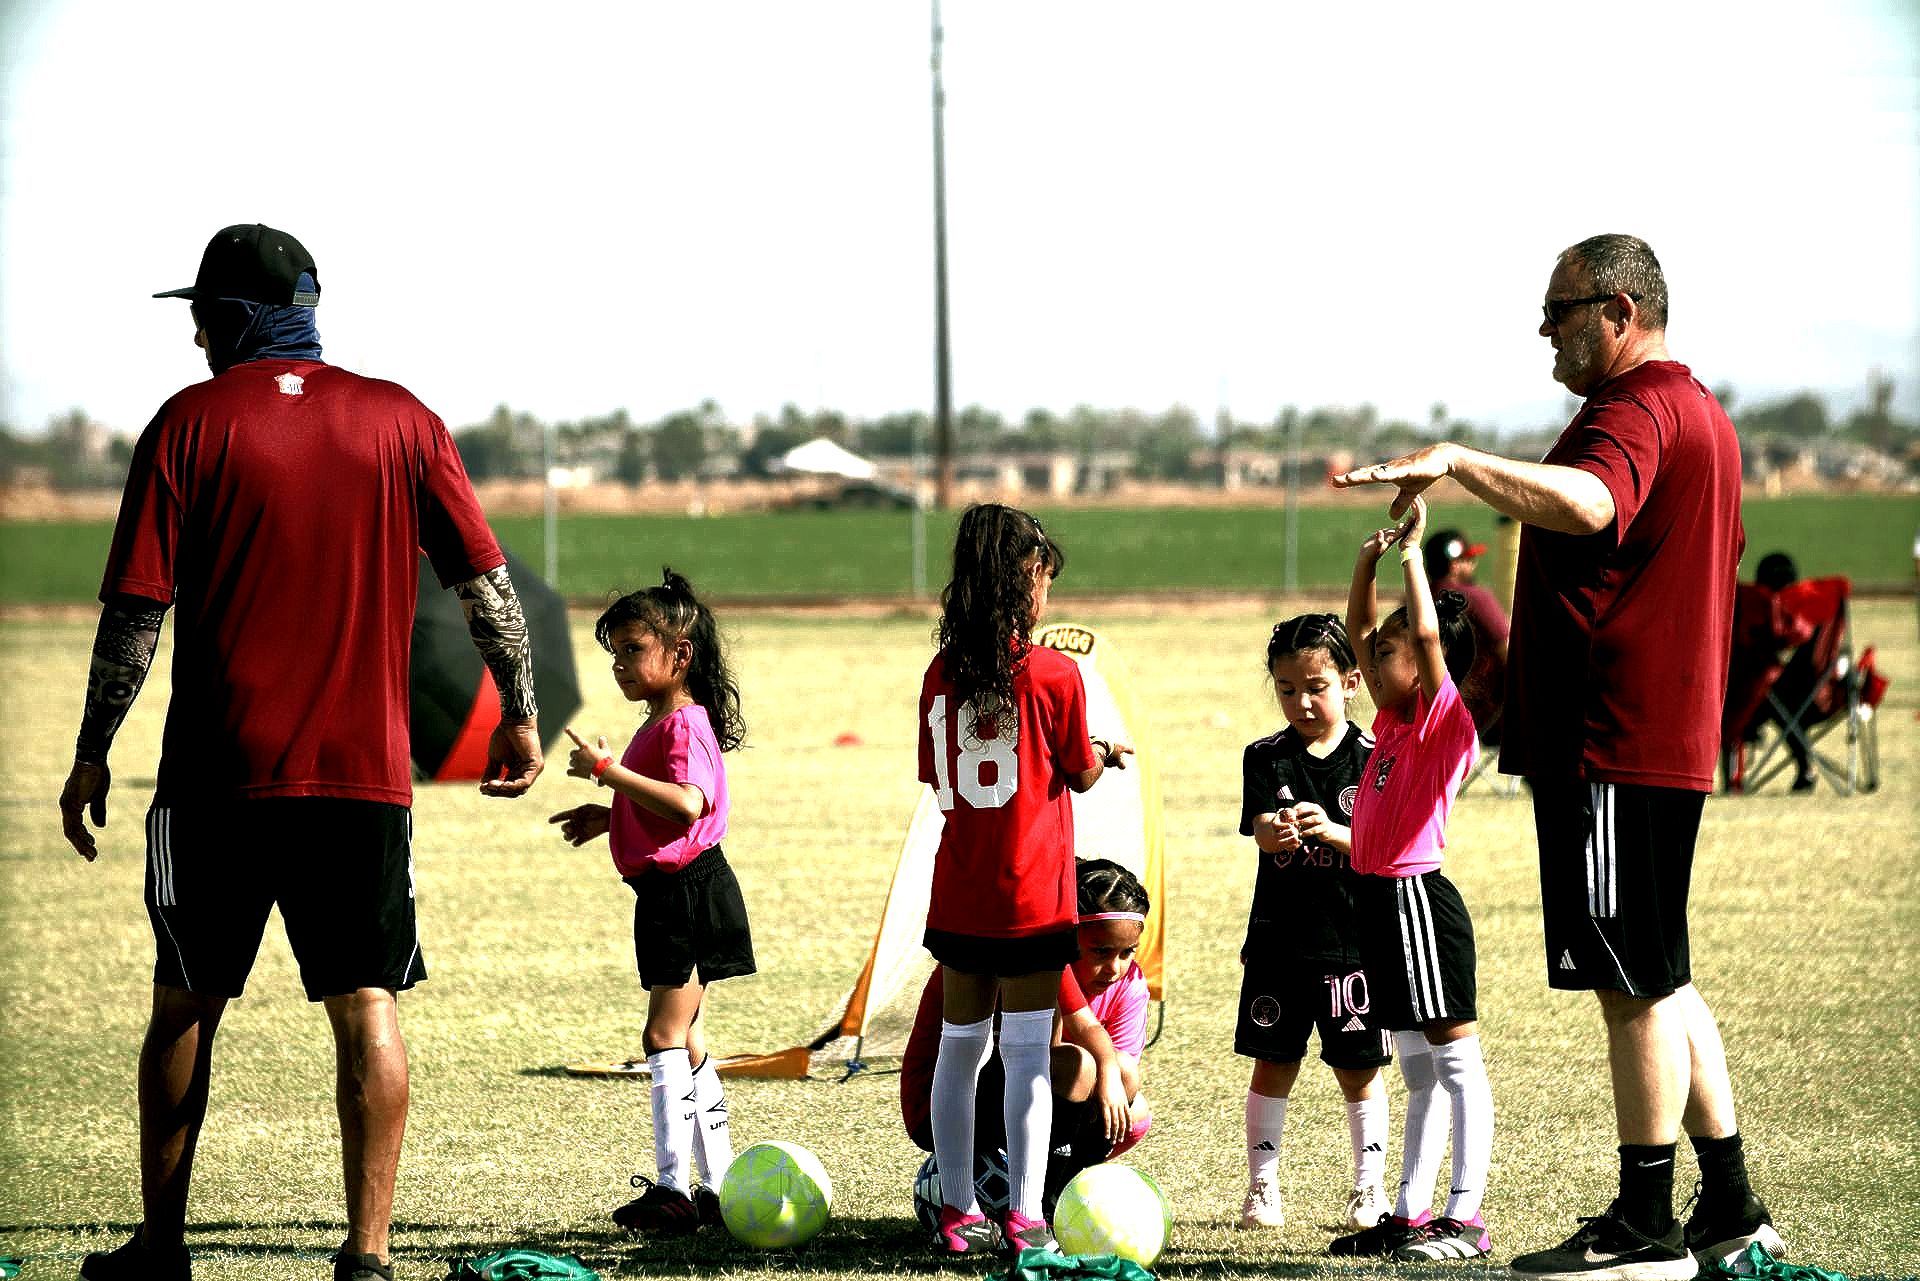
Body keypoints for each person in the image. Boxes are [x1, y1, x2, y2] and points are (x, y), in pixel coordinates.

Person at [57, 224, 544, 1281]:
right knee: (367, 1005)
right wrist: (521, 708)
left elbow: (137, 613)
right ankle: (366, 1258)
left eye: (202, 312)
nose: (192, 331)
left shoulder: (187, 424)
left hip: (214, 777)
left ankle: (163, 1249)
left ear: (236, 318)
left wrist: (94, 747)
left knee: (185, 999)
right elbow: (489, 587)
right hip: (364, 778)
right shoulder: (402, 419)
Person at [1333, 233, 1781, 1279]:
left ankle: (1643, 1226)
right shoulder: (1699, 410)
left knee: (1630, 981)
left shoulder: (1633, 409)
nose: (1545, 332)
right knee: (1660, 976)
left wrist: (1455, 459)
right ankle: (1727, 1206)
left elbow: (1589, 502)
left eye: (1559, 311)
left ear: (1619, 310)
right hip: (1649, 740)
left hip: (1613, 742)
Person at [917, 503, 1132, 1256]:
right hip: (1033, 894)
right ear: (1025, 582)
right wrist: (1104, 749)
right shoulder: (1055, 672)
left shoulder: (940, 671)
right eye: (1044, 576)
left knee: (960, 1046)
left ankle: (956, 1207)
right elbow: (1078, 770)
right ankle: (1028, 1215)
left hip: (960, 887)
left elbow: (934, 775)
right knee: (1028, 1054)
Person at [549, 570, 753, 1234]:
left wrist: (611, 775)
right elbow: (668, 807)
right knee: (689, 1041)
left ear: (680, 654)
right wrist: (611, 813)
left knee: (663, 1035)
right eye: (615, 654)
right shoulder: (664, 722)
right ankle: (720, 1187)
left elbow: (690, 803)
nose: (620, 665)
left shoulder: (684, 724)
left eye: (633, 649)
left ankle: (672, 1189)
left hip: (687, 894)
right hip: (676, 891)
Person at [1326, 496, 1495, 1264]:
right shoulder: (1392, 721)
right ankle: (1411, 1211)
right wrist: (1367, 558)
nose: (1374, 656)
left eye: (1391, 650)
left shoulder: (1442, 719)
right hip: (1376, 902)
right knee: (1418, 1070)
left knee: (1456, 1066)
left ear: (1425, 667)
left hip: (1416, 900)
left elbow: (1424, 632)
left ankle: (1464, 1218)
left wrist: (1411, 557)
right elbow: (1361, 631)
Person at [1233, 613, 1392, 1235]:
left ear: (1352, 681)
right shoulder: (1264, 758)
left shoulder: (1376, 757)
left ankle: (1368, 1190)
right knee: (1274, 1062)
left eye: (1317, 685)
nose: (1302, 701)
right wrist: (1270, 836)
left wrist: (1336, 832)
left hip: (1353, 942)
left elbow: (1388, 847)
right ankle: (1262, 1188)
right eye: (1286, 688)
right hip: (1279, 939)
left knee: (1359, 1069)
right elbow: (1259, 834)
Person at [901, 859, 1155, 1210]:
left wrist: (1111, 1073)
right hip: (939, 1109)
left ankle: (1061, 1192)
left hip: (1010, 1096)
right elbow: (1048, 1049)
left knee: (1128, 1088)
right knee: (1079, 1065)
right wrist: (1102, 1067)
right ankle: (1042, 1204)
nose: (1114, 968)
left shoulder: (1129, 984)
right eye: (1100, 951)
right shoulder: (1036, 957)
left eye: (1126, 953)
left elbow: (1106, 1057)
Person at [1721, 553, 1816, 791]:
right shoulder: (1778, 607)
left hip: (1740, 686)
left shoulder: (1744, 598)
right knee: (1783, 710)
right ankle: (1807, 768)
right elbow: (1791, 637)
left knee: (1772, 708)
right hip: (1766, 687)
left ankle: (1733, 780)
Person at [1423, 528, 1511, 743]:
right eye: (1469, 559)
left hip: (1428, 715)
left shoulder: (1417, 601)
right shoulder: (1476, 598)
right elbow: (1510, 653)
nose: (1473, 565)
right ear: (1455, 565)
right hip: (1488, 716)